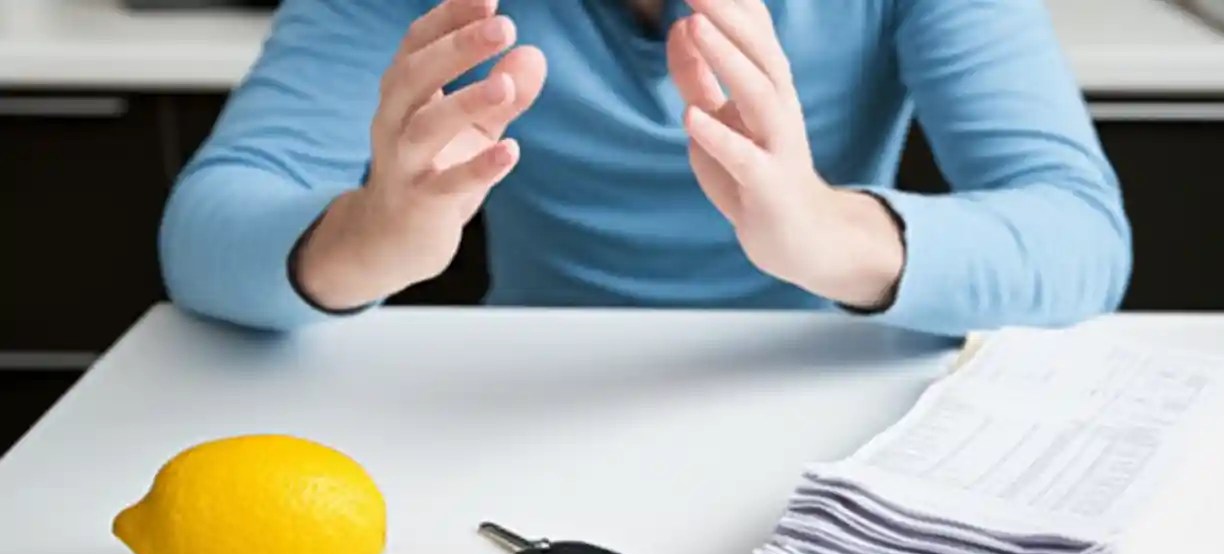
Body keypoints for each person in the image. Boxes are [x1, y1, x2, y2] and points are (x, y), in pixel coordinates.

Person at [159, 0, 1132, 338]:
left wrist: (829, 233)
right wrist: (369, 238)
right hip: (524, 405)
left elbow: (1081, 237)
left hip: (832, 400)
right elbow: (206, 227)